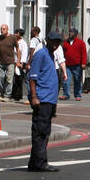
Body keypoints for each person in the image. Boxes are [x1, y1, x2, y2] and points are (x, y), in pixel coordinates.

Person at [26, 31, 62, 172]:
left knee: (44, 131)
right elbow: (32, 78)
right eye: (53, 41)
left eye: (58, 42)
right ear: (47, 40)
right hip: (42, 98)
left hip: (49, 99)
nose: (55, 44)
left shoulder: (51, 55)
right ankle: (40, 162)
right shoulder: (41, 54)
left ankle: (35, 162)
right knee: (40, 131)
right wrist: (34, 97)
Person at [0, 23, 19, 97]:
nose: (2, 30)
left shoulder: (12, 37)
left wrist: (18, 61)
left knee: (9, 79)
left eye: (3, 29)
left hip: (10, 61)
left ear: (7, 30)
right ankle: (1, 92)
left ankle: (7, 94)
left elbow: (17, 49)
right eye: (1, 29)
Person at [12, 26, 29, 101]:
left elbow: (24, 53)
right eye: (15, 33)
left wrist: (21, 63)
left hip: (19, 63)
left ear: (20, 34)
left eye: (17, 33)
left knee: (19, 79)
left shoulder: (23, 43)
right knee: (13, 79)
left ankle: (18, 95)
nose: (15, 34)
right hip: (13, 62)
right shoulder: (13, 41)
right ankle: (13, 94)